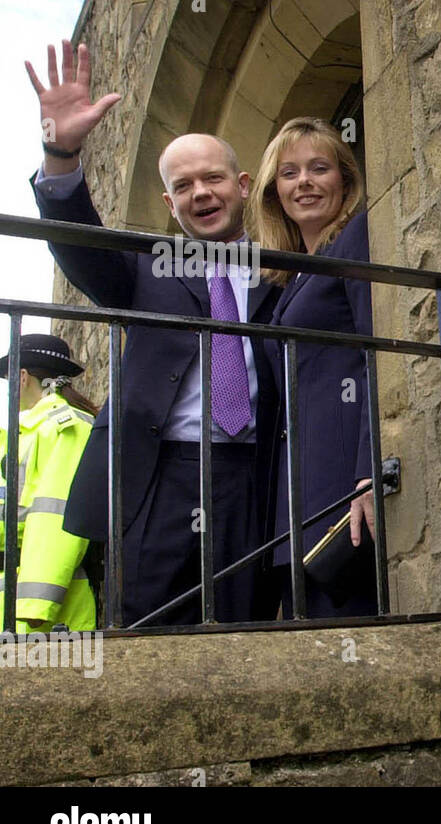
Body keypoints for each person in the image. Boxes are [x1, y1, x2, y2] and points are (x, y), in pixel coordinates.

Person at [25, 40, 282, 626]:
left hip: (254, 473)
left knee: (248, 630)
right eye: (185, 186)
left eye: (212, 178)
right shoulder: (146, 266)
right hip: (158, 474)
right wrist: (60, 154)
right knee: (145, 629)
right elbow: (80, 245)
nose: (202, 194)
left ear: (242, 184)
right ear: (169, 202)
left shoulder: (284, 267)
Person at [247, 117, 377, 618]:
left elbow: (375, 353)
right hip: (296, 501)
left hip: (340, 492)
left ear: (343, 178)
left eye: (319, 168)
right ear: (274, 191)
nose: (304, 181)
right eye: (289, 173)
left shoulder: (355, 237)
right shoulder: (291, 275)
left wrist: (368, 477)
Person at [0, 334, 98, 633]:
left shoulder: (64, 425)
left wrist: (35, 606)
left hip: (39, 614)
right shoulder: (30, 430)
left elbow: (56, 517)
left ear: (22, 375)